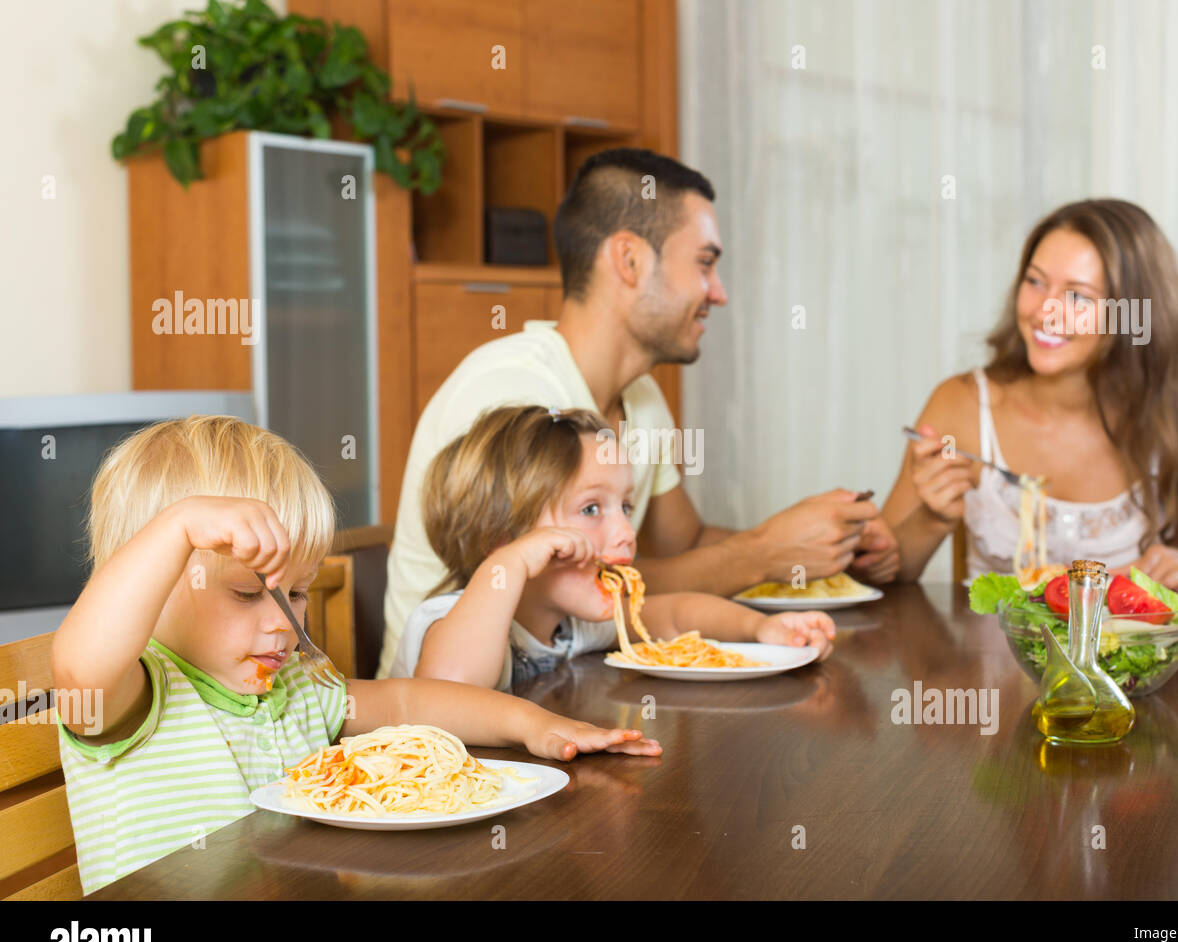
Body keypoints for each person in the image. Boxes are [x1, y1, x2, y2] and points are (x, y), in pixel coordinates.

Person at [51, 415, 661, 895]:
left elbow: (403, 700)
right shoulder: (135, 696)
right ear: (153, 589)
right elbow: (81, 667)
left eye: (296, 593)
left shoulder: (290, 687)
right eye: (246, 593)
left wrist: (536, 726)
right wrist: (178, 527)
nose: (284, 623)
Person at [379, 147, 898, 678]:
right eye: (705, 263)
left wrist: (823, 544)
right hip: (444, 731)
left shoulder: (643, 396)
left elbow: (686, 546)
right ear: (628, 261)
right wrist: (766, 552)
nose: (718, 293)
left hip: (573, 689)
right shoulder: (513, 396)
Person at [882, 199, 1178, 592]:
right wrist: (931, 519)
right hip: (987, 654)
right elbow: (878, 579)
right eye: (1035, 282)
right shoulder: (962, 406)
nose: (1045, 312)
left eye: (1078, 297)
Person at [390, 405, 837, 688]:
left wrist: (763, 630)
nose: (626, 532)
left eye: (625, 505)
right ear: (500, 537)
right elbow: (450, 690)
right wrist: (508, 564)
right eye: (590, 510)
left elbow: (676, 613)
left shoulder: (574, 619)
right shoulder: (447, 621)